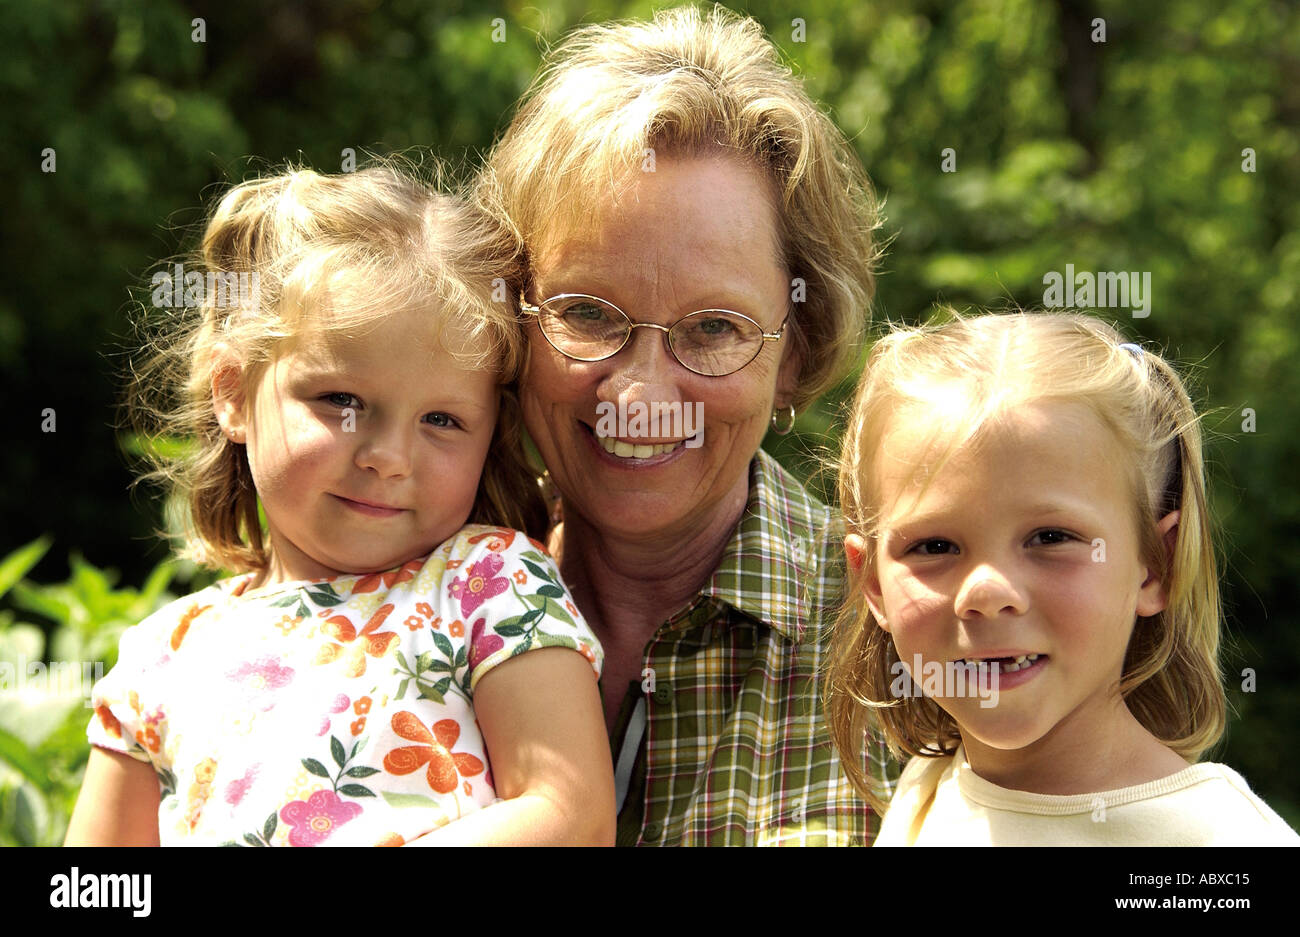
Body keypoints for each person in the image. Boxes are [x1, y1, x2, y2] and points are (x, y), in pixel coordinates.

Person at [64, 165, 614, 846]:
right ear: (234, 392)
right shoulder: (160, 659)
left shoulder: (491, 584)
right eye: (342, 402)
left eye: (442, 419)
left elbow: (571, 816)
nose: (388, 455)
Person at [477, 5, 889, 845]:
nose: (640, 394)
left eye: (713, 329)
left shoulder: (902, 639)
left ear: (798, 351)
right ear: (511, 319)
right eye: (588, 312)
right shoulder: (400, 601)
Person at [826, 310, 1300, 845]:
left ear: (1157, 564)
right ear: (873, 585)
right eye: (933, 546)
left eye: (1050, 538)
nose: (986, 592)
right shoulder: (928, 791)